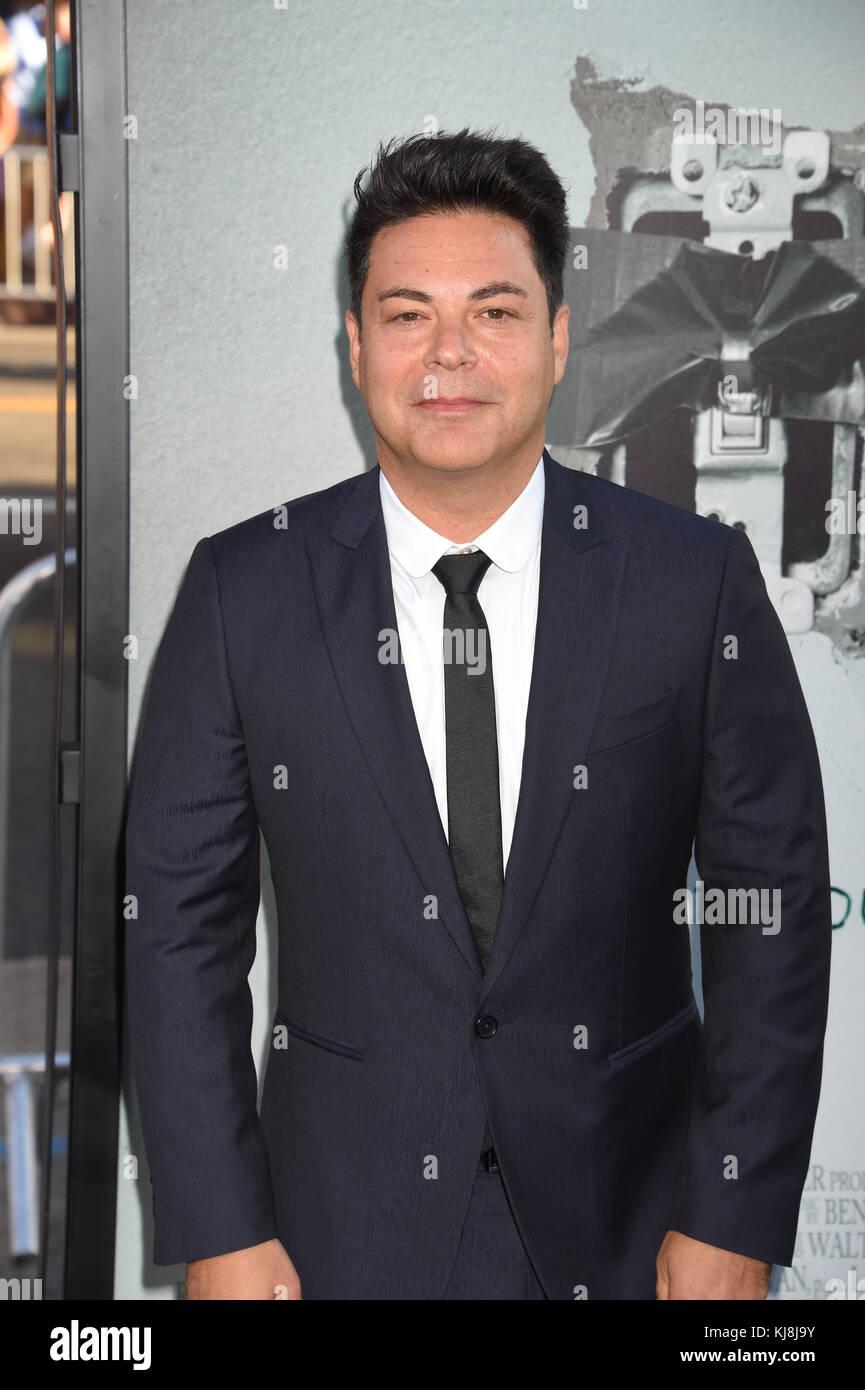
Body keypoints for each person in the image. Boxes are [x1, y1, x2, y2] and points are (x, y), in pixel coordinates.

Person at [124, 127, 832, 1301]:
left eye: (494, 313)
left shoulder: (690, 581)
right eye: (406, 316)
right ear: (355, 347)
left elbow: (774, 910)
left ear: (557, 340)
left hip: (636, 1231)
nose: (448, 354)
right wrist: (218, 1230)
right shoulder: (244, 589)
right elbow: (176, 934)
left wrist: (736, 1213)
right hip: (326, 1242)